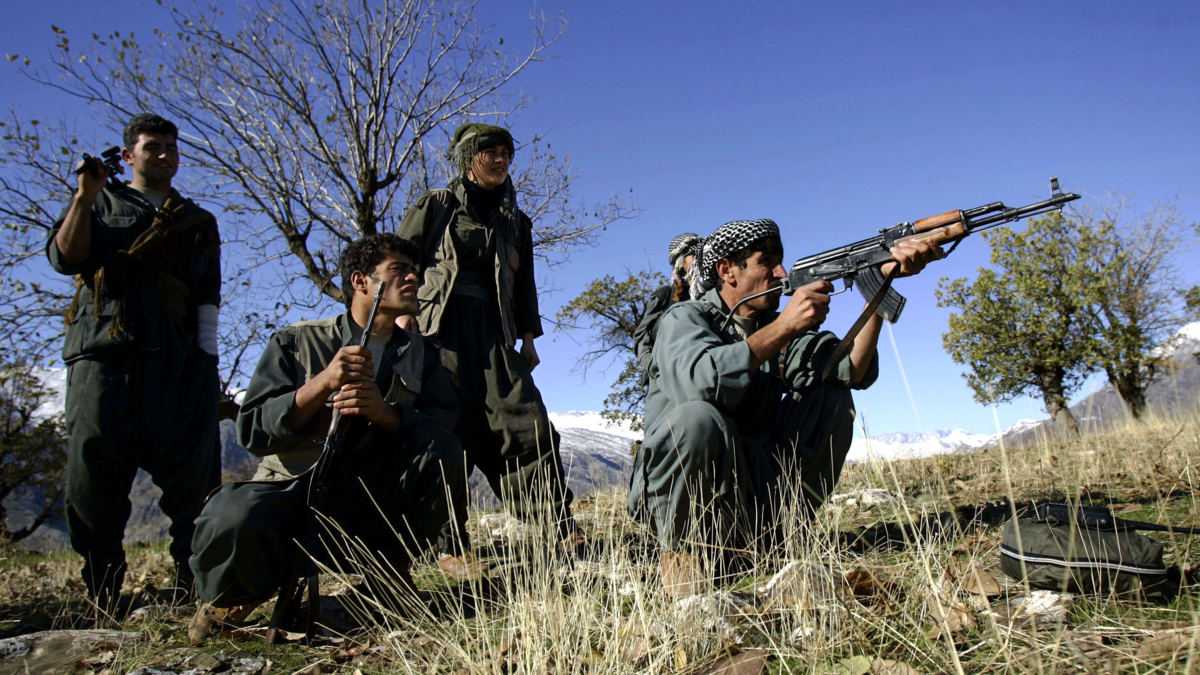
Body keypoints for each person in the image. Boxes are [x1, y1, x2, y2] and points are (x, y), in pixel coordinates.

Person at [626, 218, 941, 595]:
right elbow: (701, 383)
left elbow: (851, 369)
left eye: (781, 261)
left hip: (750, 488)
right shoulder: (685, 317)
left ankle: (778, 537)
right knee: (697, 419)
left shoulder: (776, 324)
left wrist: (881, 285)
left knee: (831, 394)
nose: (781, 273)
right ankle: (683, 559)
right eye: (767, 262)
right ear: (727, 271)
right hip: (681, 500)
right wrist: (785, 328)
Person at [187, 233, 466, 641]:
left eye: (414, 271)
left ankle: (388, 569)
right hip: (292, 486)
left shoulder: (424, 355)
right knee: (232, 515)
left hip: (370, 494)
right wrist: (320, 385)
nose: (414, 279)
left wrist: (385, 413)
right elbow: (252, 430)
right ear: (360, 281)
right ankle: (234, 594)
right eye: (399, 271)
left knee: (443, 451)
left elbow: (444, 429)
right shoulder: (294, 341)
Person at [47, 113, 221, 611]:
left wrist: (206, 366)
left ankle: (193, 588)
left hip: (176, 363)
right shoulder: (98, 203)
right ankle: (102, 592)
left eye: (171, 147)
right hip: (104, 358)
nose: (164, 154)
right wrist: (83, 195)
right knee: (93, 477)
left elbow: (207, 296)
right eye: (152, 147)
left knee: (194, 479)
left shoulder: (195, 220)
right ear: (128, 155)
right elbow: (65, 258)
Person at [398, 123, 580, 579]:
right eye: (490, 152)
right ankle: (449, 544)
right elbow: (402, 260)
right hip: (438, 331)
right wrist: (401, 319)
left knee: (526, 420)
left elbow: (525, 285)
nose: (500, 160)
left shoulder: (516, 221)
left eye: (506, 153)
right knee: (444, 428)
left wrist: (529, 337)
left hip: (494, 333)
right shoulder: (435, 206)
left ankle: (558, 527)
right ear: (468, 158)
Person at [632, 232, 703, 384]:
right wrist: (655, 368)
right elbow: (641, 338)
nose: (699, 258)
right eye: (693, 254)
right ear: (680, 262)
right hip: (667, 381)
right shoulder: (664, 296)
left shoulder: (712, 294)